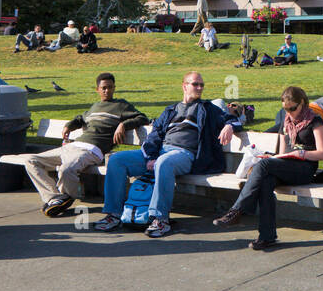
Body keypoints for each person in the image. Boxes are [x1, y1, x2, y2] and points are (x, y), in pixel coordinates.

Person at [94, 72, 242, 237]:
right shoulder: (171, 110)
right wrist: (151, 157)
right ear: (184, 86)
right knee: (117, 160)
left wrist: (229, 126)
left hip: (184, 155)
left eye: (202, 85)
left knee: (163, 162)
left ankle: (160, 219)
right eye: (195, 84)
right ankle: (113, 215)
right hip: (160, 153)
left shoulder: (207, 109)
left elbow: (234, 119)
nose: (199, 88)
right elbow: (154, 136)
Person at [212, 85, 323, 249]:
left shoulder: (315, 121)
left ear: (302, 103)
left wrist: (301, 154)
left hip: (304, 169)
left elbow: (322, 153)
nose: (290, 113)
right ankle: (266, 236)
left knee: (264, 165)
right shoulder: (286, 122)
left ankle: (237, 211)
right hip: (285, 165)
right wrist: (274, 157)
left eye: (293, 108)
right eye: (286, 109)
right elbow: (281, 153)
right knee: (265, 180)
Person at [24, 73, 150, 217]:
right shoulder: (95, 107)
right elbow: (80, 118)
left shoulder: (121, 105)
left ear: (114, 88)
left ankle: (66, 197)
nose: (106, 91)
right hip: (71, 147)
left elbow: (142, 117)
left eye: (110, 87)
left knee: (66, 170)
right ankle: (55, 198)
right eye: (103, 88)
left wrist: (123, 124)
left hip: (91, 150)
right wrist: (70, 125)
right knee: (31, 161)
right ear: (97, 89)